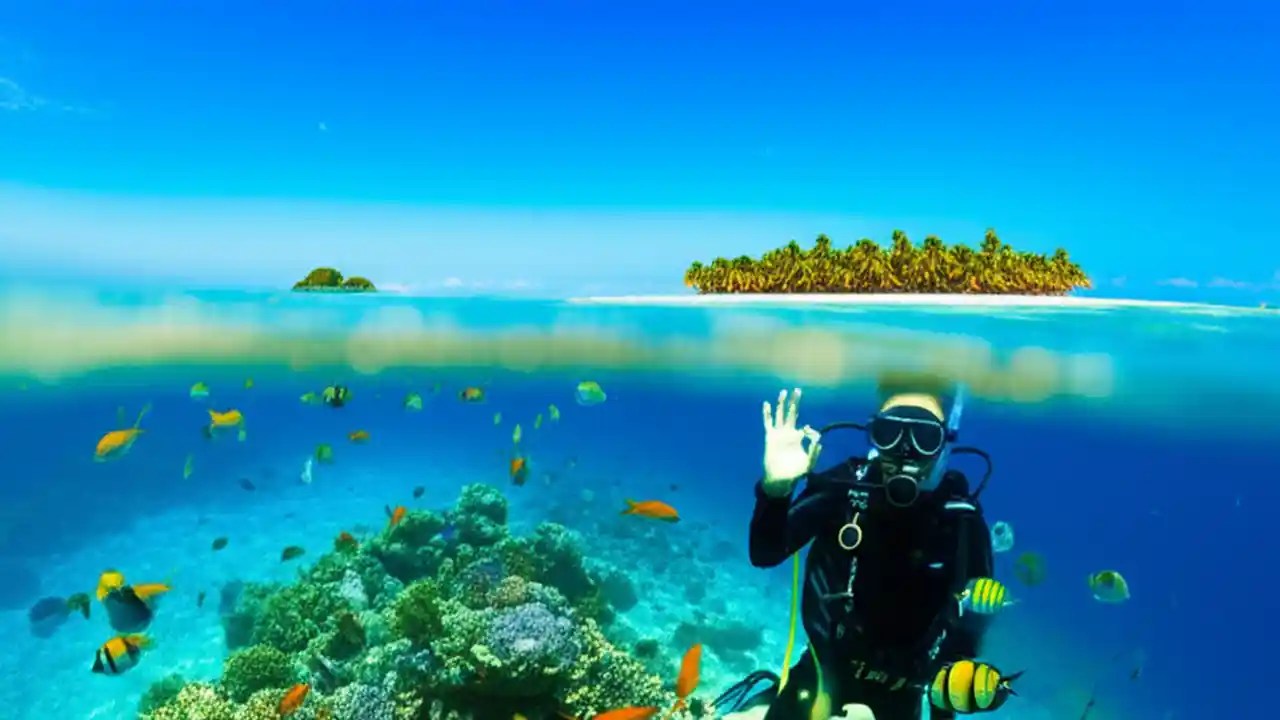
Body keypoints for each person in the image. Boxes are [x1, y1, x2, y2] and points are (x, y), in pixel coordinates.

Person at [715, 382, 998, 720]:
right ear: (873, 435)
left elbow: (967, 638)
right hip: (821, 674)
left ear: (943, 444)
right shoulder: (845, 488)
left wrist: (942, 710)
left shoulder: (961, 522)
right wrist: (775, 491)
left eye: (923, 437)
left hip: (902, 694)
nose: (905, 451)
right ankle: (762, 702)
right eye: (890, 431)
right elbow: (765, 553)